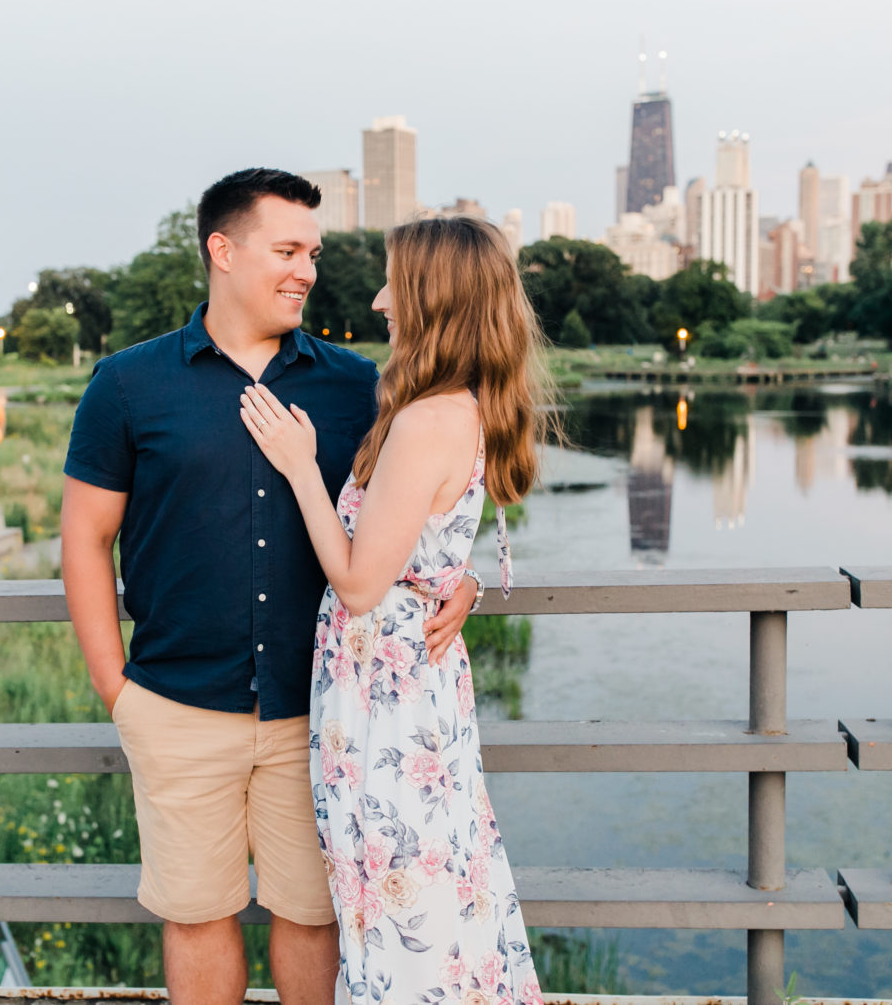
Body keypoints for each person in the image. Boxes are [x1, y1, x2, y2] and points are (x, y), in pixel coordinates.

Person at [60, 168, 478, 1005]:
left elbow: (431, 495)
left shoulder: (359, 386)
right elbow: (84, 537)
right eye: (287, 250)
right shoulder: (128, 384)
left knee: (315, 915)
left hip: (320, 712)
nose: (307, 270)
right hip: (176, 704)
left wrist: (459, 575)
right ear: (223, 250)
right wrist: (118, 690)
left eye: (313, 252)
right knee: (195, 915)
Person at [239, 215, 547, 1005]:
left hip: (387, 699)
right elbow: (427, 542)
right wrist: (459, 577)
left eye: (392, 283)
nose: (378, 300)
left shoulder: (424, 420)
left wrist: (301, 467)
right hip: (410, 683)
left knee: (395, 891)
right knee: (435, 882)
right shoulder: (459, 407)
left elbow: (357, 581)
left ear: (430, 297)